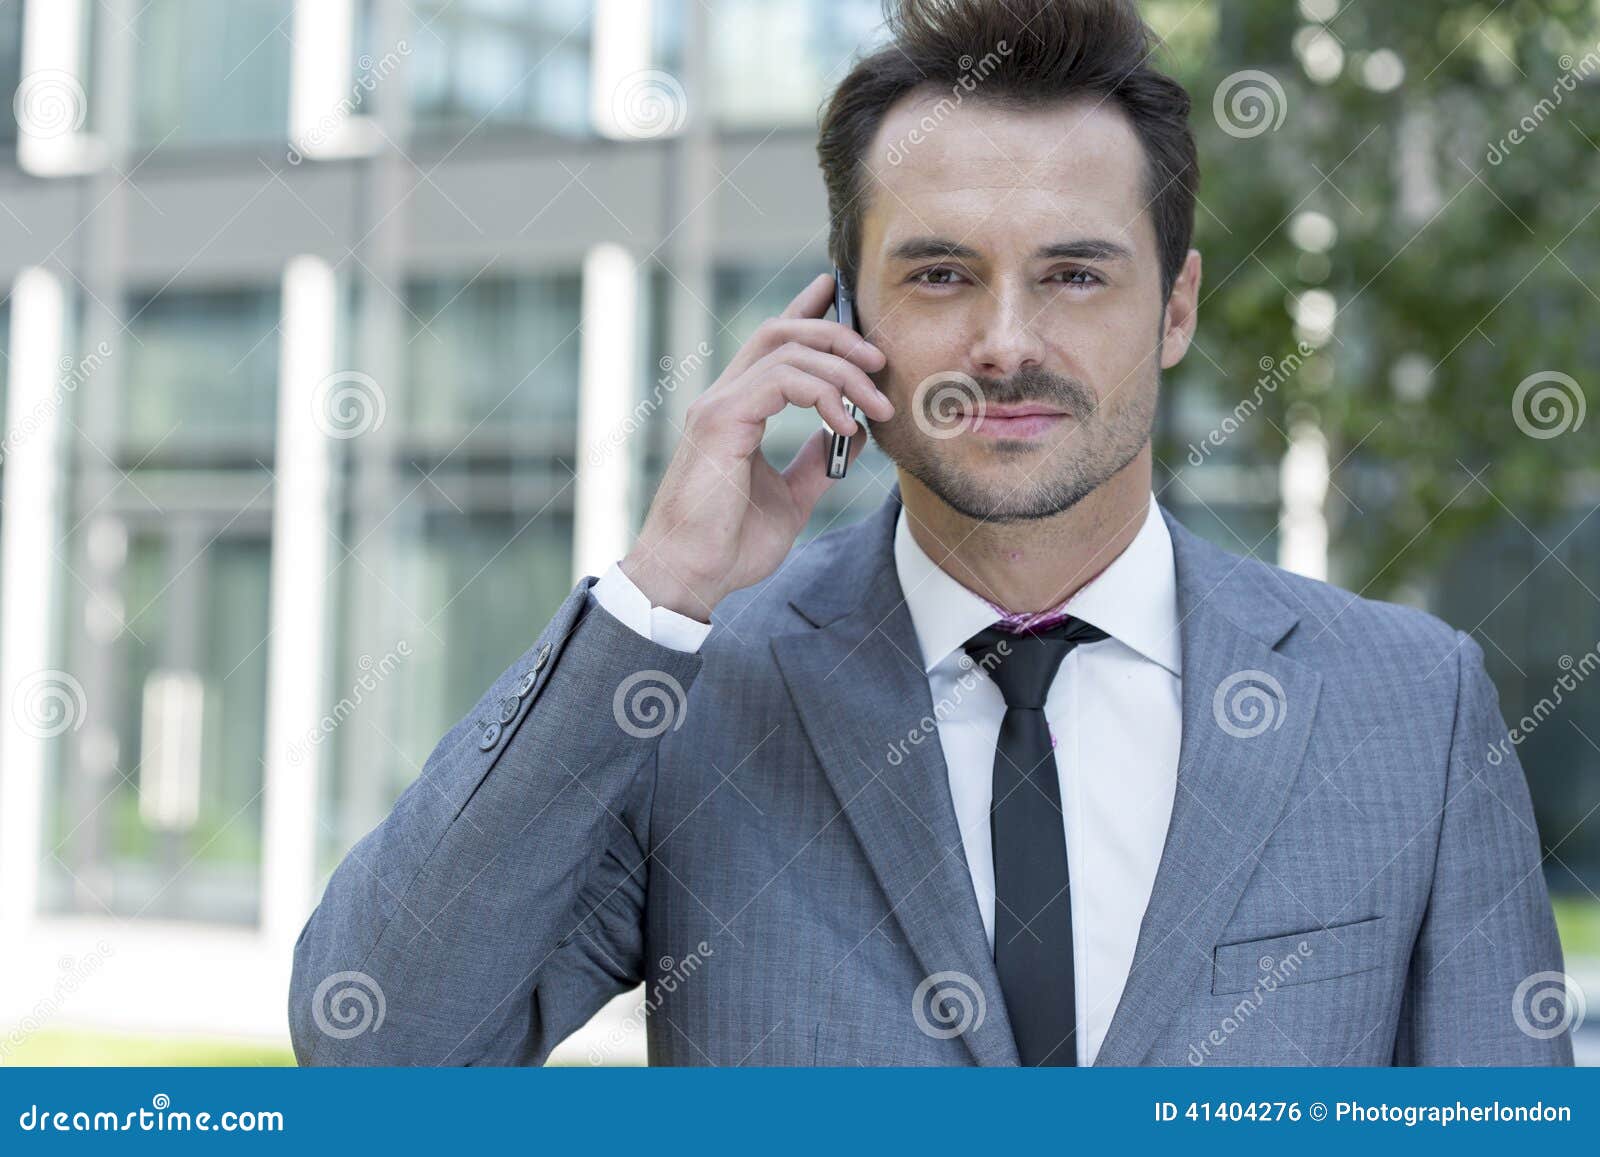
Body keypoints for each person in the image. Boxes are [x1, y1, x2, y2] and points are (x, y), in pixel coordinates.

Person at [290, 0, 1573, 1066]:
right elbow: (376, 1048)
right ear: (842, 314)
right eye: (941, 274)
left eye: (1075, 274)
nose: (1006, 340)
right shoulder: (691, 693)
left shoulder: (1409, 705)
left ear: (1174, 308)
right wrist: (660, 589)